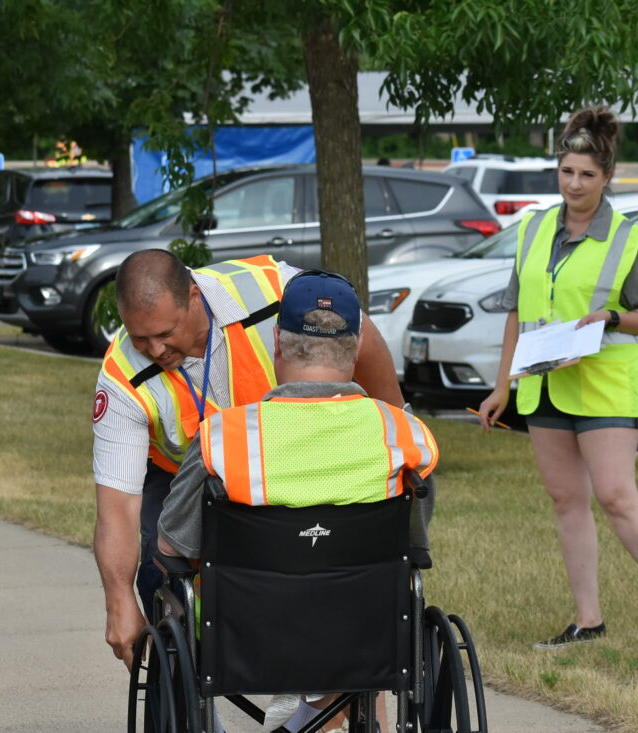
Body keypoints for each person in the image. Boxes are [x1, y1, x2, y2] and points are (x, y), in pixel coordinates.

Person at [92, 250, 404, 670]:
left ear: (194, 296)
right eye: (139, 338)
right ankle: (191, 682)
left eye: (165, 332)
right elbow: (117, 510)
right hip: (183, 476)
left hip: (288, 456)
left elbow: (357, 332)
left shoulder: (273, 288)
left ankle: (315, 689)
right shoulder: (121, 377)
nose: (155, 349)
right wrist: (119, 603)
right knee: (159, 557)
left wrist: (395, 425)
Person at [157, 269, 437, 733]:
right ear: (358, 341)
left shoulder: (223, 439)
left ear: (277, 342)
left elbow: (173, 549)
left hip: (243, 637)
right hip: (364, 635)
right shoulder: (404, 436)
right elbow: (415, 546)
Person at [476, 107, 638, 656]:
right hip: (544, 385)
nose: (574, 184)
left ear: (606, 179)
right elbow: (517, 311)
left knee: (617, 496)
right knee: (565, 500)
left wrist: (611, 318)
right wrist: (502, 386)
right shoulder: (532, 229)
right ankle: (587, 621)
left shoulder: (629, 239)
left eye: (587, 175)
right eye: (566, 172)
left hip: (606, 386)